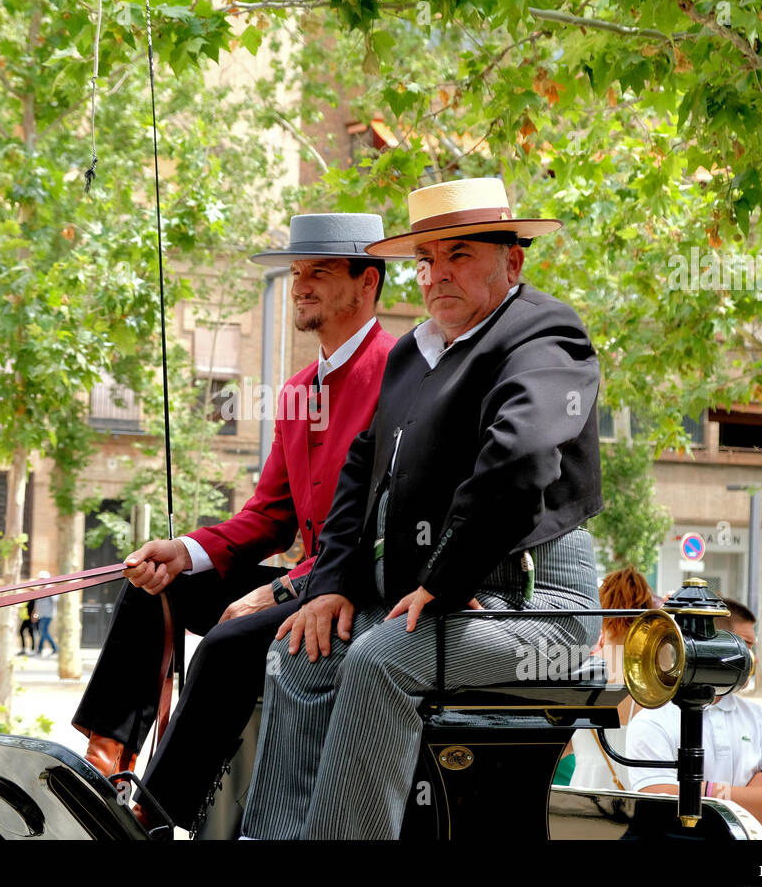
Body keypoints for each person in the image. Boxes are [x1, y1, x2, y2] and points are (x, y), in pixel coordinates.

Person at [240, 177, 605, 840]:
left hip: (537, 600)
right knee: (299, 650)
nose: (437, 275)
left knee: (382, 659)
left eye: (459, 254)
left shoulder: (545, 333)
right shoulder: (414, 351)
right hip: (431, 592)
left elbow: (520, 461)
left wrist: (445, 579)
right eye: (425, 260)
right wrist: (333, 586)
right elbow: (360, 470)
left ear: (512, 261)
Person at [72, 213, 398, 831]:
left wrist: (278, 589)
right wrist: (185, 551)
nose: (301, 285)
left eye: (319, 273)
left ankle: (152, 815)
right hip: (305, 577)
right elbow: (269, 516)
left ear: (368, 283)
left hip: (360, 590)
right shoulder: (299, 389)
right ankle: (109, 757)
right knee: (155, 587)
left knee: (225, 647)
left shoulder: (402, 374)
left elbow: (375, 530)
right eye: (297, 272)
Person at [627, 599, 762, 830]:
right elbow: (663, 809)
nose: (754, 658)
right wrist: (756, 791)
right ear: (716, 647)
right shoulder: (651, 722)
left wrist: (700, 791)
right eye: (747, 645)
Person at [567, 566, 656, 791]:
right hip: (638, 793)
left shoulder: (576, 672)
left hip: (584, 794)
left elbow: (559, 747)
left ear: (600, 611)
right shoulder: (655, 683)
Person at [33, 572, 57, 657]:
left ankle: (54, 648)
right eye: (40, 579)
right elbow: (37, 604)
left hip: (48, 615)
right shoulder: (39, 589)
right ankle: (41, 650)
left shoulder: (50, 588)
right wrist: (35, 615)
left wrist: (50, 591)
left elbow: (56, 599)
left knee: (44, 632)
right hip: (41, 615)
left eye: (42, 579)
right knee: (43, 632)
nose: (41, 581)